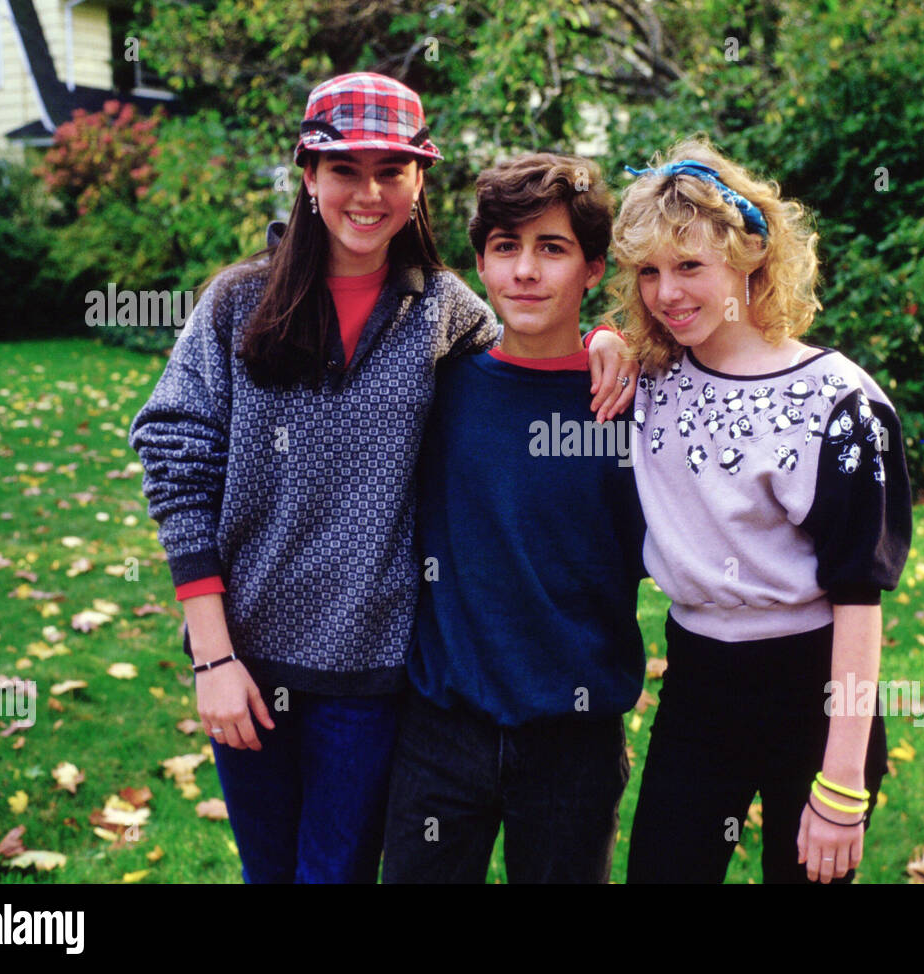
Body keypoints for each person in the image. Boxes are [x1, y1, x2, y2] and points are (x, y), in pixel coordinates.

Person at [127, 73, 634, 884]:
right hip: (245, 665)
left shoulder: (444, 311)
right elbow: (174, 452)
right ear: (307, 174)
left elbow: (529, 342)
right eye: (344, 170)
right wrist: (212, 657)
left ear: (419, 179)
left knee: (334, 876)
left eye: (391, 171)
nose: (368, 194)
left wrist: (609, 336)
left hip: (372, 675)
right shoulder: (237, 304)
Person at [607, 137, 914, 884]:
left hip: (813, 693)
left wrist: (842, 782)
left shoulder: (838, 403)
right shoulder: (646, 383)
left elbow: (859, 599)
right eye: (648, 272)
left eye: (689, 267)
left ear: (749, 257)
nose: (666, 293)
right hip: (696, 687)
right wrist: (599, 339)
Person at [381, 153, 647, 884]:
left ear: (593, 268)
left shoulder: (629, 408)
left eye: (552, 249)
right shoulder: (437, 389)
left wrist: (609, 340)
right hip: (441, 729)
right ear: (481, 263)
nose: (525, 271)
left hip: (575, 736)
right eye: (506, 248)